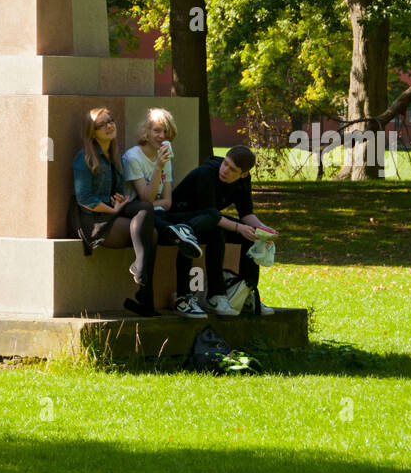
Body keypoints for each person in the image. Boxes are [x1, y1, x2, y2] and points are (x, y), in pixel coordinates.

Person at [122, 109, 220, 320]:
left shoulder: (166, 154)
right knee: (158, 217)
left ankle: (183, 231)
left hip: (163, 216)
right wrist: (158, 166)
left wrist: (162, 165)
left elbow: (167, 202)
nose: (162, 137)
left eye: (165, 132)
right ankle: (181, 232)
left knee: (212, 215)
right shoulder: (133, 157)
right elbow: (146, 201)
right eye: (157, 131)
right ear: (146, 132)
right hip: (140, 218)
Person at [70, 108, 160, 316]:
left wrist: (119, 200)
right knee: (152, 234)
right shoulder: (84, 157)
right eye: (102, 124)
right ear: (92, 132)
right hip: (93, 219)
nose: (110, 126)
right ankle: (145, 298)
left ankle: (140, 269)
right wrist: (112, 209)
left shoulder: (115, 156)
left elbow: (116, 191)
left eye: (111, 121)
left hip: (112, 211)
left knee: (145, 207)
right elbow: (84, 199)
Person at [171, 146, 279, 316]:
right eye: (225, 163)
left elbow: (246, 213)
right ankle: (216, 295)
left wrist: (263, 230)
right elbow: (211, 215)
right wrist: (239, 228)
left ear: (243, 174)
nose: (225, 170)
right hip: (180, 218)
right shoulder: (206, 173)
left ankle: (247, 292)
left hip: (208, 218)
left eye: (232, 169)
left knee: (252, 235)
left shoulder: (244, 180)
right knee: (217, 232)